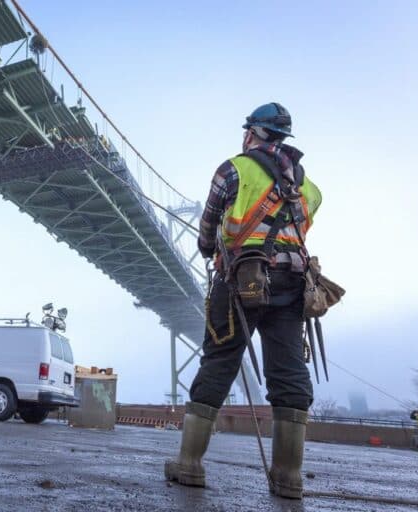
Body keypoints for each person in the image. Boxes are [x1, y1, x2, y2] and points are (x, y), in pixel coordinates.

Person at [164, 103, 322, 499]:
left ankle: (190, 465)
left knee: (219, 361)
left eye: (247, 131)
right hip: (292, 286)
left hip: (241, 282)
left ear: (253, 133)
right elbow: (297, 229)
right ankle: (288, 477)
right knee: (288, 373)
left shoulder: (232, 169)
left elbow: (209, 226)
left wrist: (208, 245)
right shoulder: (310, 189)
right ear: (283, 138)